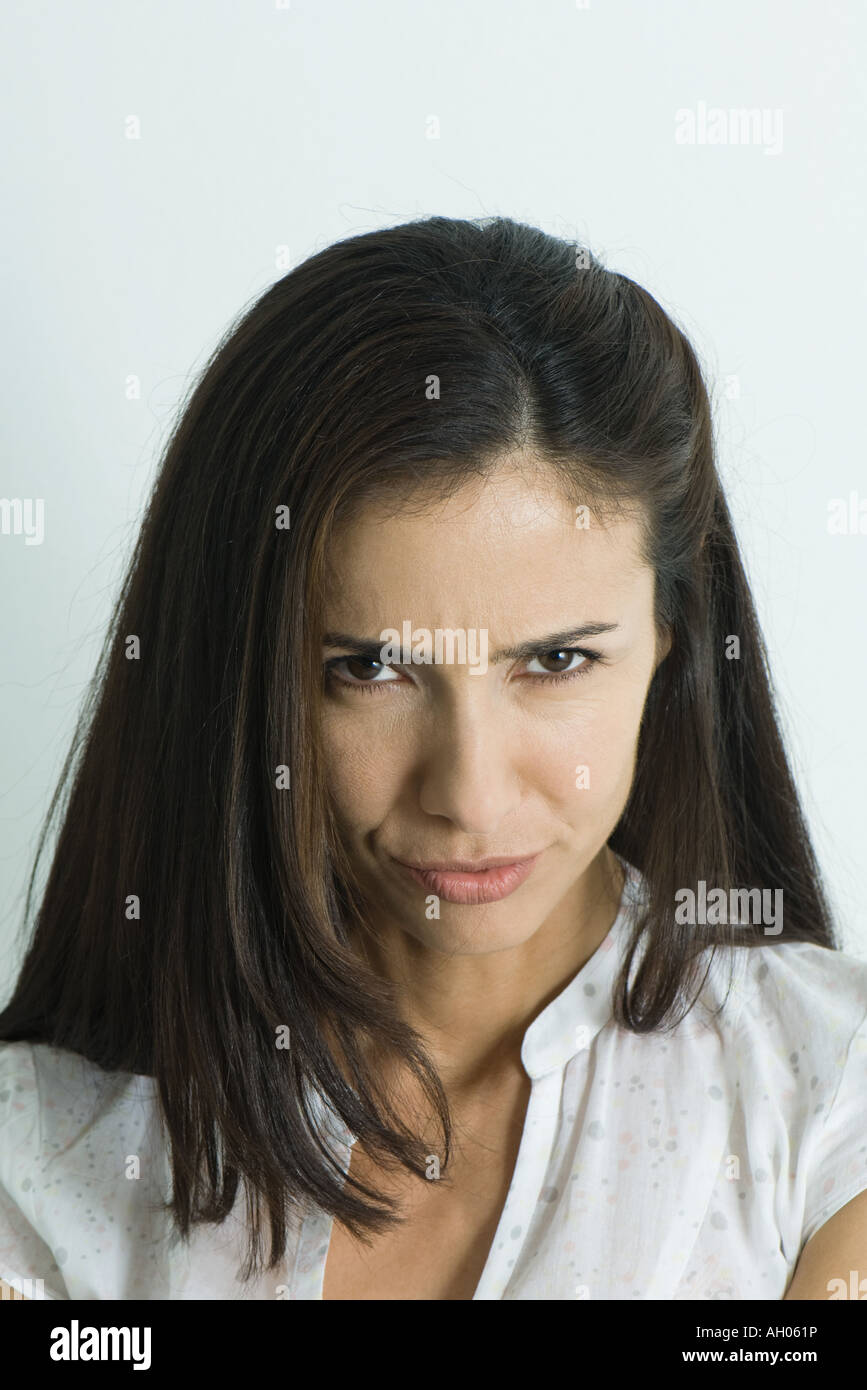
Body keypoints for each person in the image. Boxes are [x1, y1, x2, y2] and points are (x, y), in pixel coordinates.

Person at [1, 215, 865, 1301]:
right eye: (370, 669)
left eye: (555, 660)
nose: (468, 793)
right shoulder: (38, 1160)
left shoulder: (829, 1106)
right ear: (248, 683)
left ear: (671, 643)